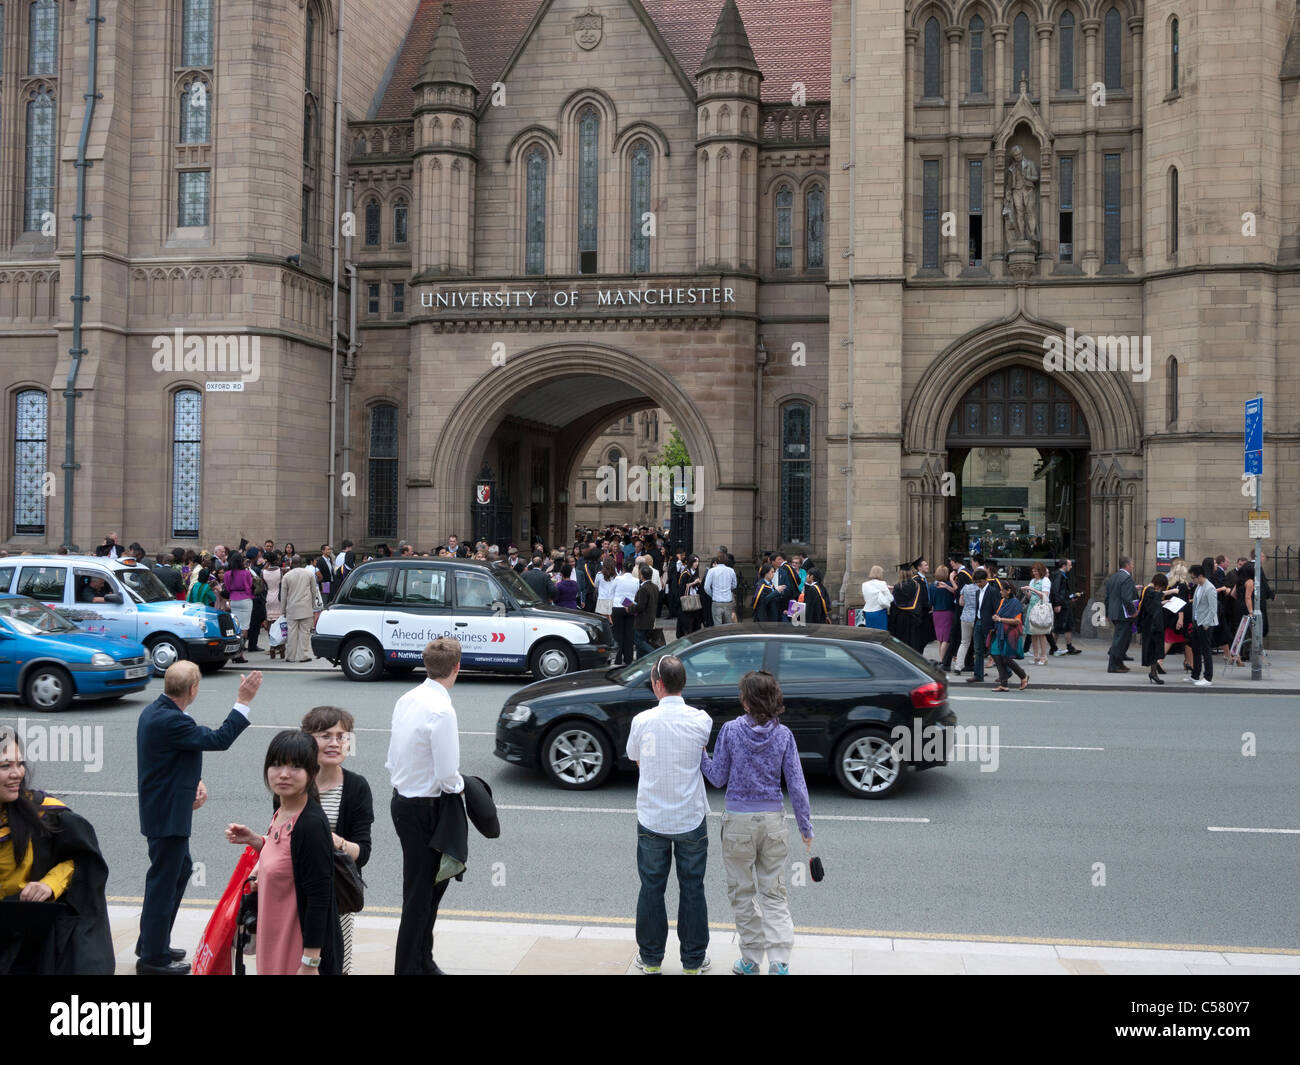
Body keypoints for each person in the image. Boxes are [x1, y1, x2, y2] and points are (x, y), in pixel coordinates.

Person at [136, 663, 261, 974]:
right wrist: (243, 700)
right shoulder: (171, 720)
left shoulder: (159, 712)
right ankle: (152, 959)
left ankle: (153, 942)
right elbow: (218, 738)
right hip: (167, 818)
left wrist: (196, 781)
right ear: (193, 690)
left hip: (165, 812)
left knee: (180, 871)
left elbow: (179, 752)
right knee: (163, 884)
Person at [700, 670, 812, 975]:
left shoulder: (731, 731)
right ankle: (779, 963)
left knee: (742, 893)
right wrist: (805, 828)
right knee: (774, 893)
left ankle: (750, 960)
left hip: (737, 822)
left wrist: (700, 754)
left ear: (746, 701)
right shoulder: (784, 735)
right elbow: (797, 784)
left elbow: (717, 777)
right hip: (773, 821)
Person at [225, 730, 342, 975]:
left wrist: (309, 964)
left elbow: (320, 899)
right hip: (274, 938)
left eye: (295, 767)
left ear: (312, 773)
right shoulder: (282, 808)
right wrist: (257, 841)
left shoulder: (310, 824)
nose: (284, 774)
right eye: (277, 765)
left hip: (296, 949)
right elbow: (287, 855)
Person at [0, 726, 113, 975]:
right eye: (5, 766)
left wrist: (50, 884)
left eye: (19, 764)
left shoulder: (43, 813)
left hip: (27, 942)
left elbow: (83, 859)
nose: (17, 773)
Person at [626, 655, 712, 975]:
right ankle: (692, 961)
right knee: (692, 888)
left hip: (652, 817)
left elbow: (636, 759)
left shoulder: (642, 721)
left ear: (658, 685)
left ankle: (651, 960)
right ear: (682, 683)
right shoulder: (701, 720)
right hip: (689, 816)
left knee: (651, 887)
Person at [386, 638, 466, 975]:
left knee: (426, 890)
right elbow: (448, 773)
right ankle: (409, 967)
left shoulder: (408, 698)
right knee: (421, 895)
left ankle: (422, 959)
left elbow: (394, 755)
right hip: (427, 808)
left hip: (403, 801)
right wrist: (464, 788)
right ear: (457, 668)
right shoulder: (442, 709)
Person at [297, 706, 374, 975]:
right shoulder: (294, 781)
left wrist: (333, 841)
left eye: (341, 736)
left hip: (336, 896)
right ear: (307, 739)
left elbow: (362, 853)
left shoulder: (356, 787)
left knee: (334, 967)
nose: (335, 743)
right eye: (325, 735)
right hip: (295, 894)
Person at [281, 555, 323, 663]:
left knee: (291, 633)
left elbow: (283, 595)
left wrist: (283, 610)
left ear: (291, 563)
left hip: (292, 608)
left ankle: (290, 656)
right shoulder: (309, 574)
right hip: (306, 607)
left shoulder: (287, 576)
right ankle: (303, 655)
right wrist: (312, 604)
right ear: (302, 562)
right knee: (305, 632)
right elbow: (314, 591)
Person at [989, 583, 1028, 692]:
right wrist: (995, 617)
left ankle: (1023, 676)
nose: (1000, 592)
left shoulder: (1015, 603)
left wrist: (1000, 619)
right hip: (1000, 632)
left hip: (1010, 633)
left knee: (1006, 658)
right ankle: (1004, 683)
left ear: (1009, 590)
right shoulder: (1003, 601)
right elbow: (999, 614)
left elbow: (1017, 621)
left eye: (1002, 590)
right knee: (996, 654)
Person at [1104, 556, 1137, 673]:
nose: (1133, 566)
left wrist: (1107, 612)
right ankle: (1113, 666)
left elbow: (1107, 597)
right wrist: (1133, 611)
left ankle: (1119, 662)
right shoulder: (1127, 578)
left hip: (1114, 612)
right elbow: (1126, 598)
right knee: (1120, 640)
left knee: (1123, 639)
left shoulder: (1113, 577)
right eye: (1132, 564)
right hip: (1123, 614)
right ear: (1127, 565)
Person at [965, 569, 998, 685]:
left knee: (993, 651)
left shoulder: (992, 591)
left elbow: (996, 609)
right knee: (977, 650)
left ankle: (1006, 672)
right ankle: (978, 675)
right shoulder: (978, 592)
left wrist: (995, 626)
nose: (978, 584)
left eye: (980, 582)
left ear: (985, 580)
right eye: (976, 582)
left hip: (989, 624)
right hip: (978, 622)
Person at [1138, 572, 1169, 684]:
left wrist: (1162, 603)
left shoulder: (1150, 591)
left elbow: (1152, 604)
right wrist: (1172, 591)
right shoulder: (1149, 590)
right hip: (1151, 626)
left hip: (1152, 625)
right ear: (1157, 584)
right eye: (1161, 587)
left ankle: (1153, 673)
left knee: (1154, 650)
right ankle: (1153, 673)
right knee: (1152, 649)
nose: (1160, 590)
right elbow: (1152, 602)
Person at [222, 551, 254, 663]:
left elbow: (226, 587)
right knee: (245, 627)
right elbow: (250, 585)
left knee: (236, 626)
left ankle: (234, 652)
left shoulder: (227, 574)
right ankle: (240, 653)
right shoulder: (245, 573)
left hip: (233, 599)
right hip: (245, 599)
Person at [1189, 565, 1216, 687]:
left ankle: (1208, 677)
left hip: (1205, 624)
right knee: (1195, 649)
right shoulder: (1198, 587)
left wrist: (1206, 624)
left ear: (1200, 576)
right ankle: (1195, 675)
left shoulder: (1210, 588)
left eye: (1193, 577)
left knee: (1206, 651)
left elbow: (1213, 609)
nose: (1192, 580)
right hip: (1197, 622)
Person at [610, 559, 641, 666]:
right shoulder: (636, 581)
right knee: (629, 634)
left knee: (618, 634)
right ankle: (628, 658)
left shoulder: (618, 579)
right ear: (632, 569)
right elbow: (637, 594)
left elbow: (612, 591)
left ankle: (618, 658)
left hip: (618, 607)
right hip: (630, 607)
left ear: (623, 569)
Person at [1049, 558, 1082, 656]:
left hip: (1065, 603)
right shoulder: (1059, 576)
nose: (1071, 567)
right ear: (1064, 566)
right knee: (1058, 627)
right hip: (1062, 605)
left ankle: (1069, 647)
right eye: (1070, 565)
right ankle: (1053, 648)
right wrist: (1057, 604)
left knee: (1068, 626)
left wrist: (1070, 597)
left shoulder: (1062, 575)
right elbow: (1055, 590)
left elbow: (1062, 592)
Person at [1024, 561, 1053, 665]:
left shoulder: (1045, 580)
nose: (1034, 572)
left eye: (1036, 571)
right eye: (1033, 571)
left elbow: (1045, 595)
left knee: (1041, 633)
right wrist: (1026, 592)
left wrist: (1032, 589)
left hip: (1041, 608)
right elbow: (1031, 597)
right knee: (1033, 633)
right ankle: (1036, 656)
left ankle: (1043, 656)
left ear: (1040, 571)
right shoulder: (1033, 581)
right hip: (1032, 608)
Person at [929, 565, 956, 663]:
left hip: (936, 613)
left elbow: (930, 601)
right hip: (947, 612)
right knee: (946, 639)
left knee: (940, 638)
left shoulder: (932, 585)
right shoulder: (949, 585)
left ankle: (942, 658)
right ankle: (944, 660)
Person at [632, 563, 660, 659]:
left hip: (642, 620)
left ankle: (656, 654)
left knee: (639, 641)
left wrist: (630, 607)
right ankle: (640, 661)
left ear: (641, 575)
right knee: (642, 641)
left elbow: (640, 607)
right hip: (650, 619)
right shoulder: (655, 587)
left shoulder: (643, 589)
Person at [704, 551, 737, 628]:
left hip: (716, 601)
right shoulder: (731, 571)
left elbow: (706, 587)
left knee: (717, 626)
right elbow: (734, 585)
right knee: (728, 626)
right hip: (728, 601)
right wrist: (728, 589)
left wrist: (713, 594)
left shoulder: (711, 571)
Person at [858, 565, 893, 630]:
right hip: (879, 612)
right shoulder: (882, 583)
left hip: (868, 612)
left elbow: (866, 598)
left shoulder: (864, 584)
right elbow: (890, 599)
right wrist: (890, 591)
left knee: (871, 634)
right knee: (881, 634)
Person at [677, 556, 703, 637]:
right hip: (687, 602)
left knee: (695, 623)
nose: (697, 564)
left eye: (698, 562)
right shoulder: (685, 574)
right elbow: (682, 588)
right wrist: (694, 583)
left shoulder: (695, 572)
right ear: (691, 562)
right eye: (695, 562)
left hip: (695, 602)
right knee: (687, 624)